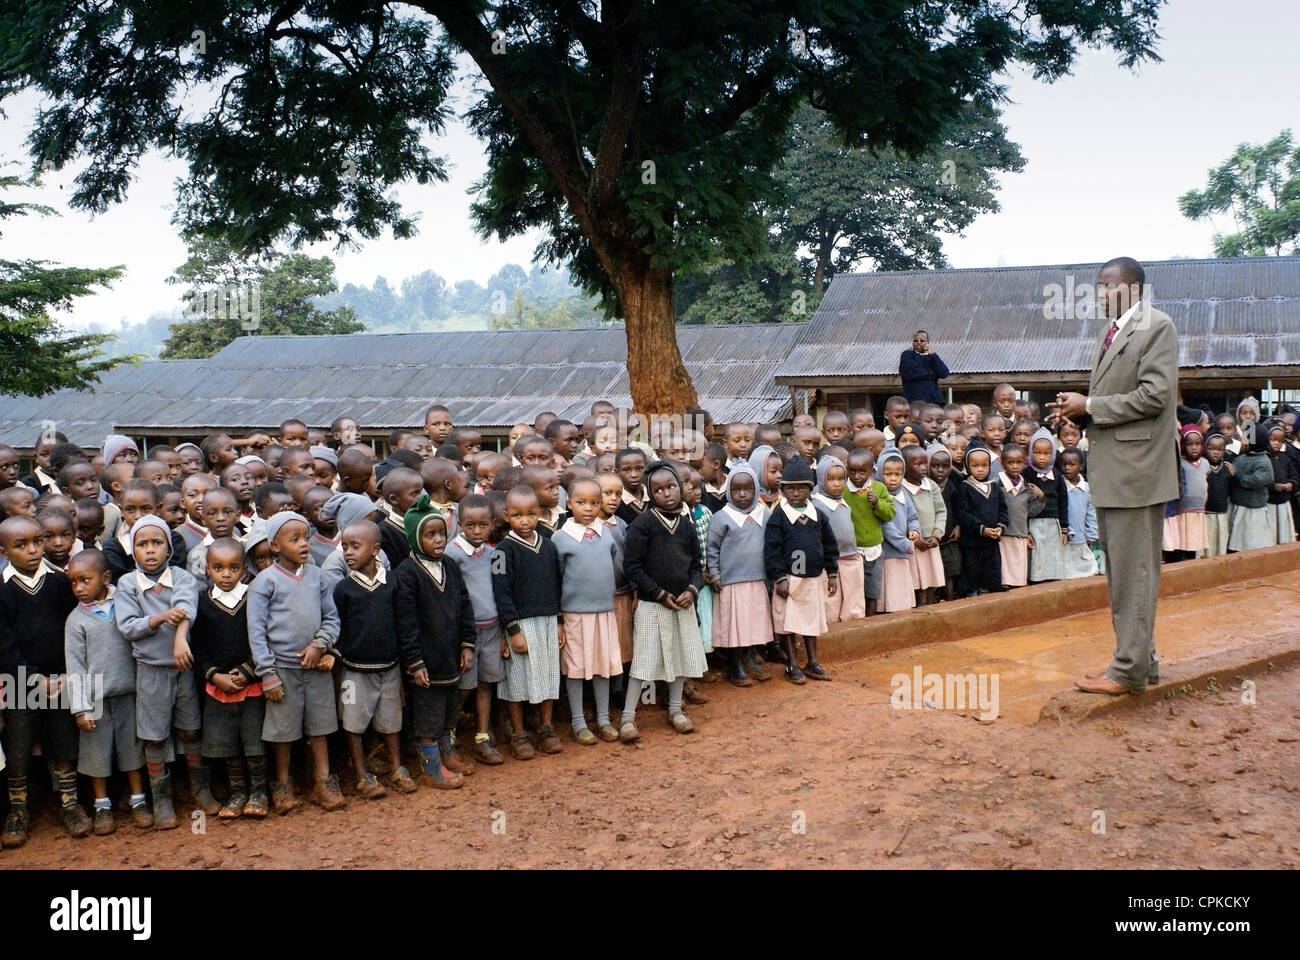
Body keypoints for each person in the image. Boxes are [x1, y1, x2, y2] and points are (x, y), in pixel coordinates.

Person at [1050, 256, 1179, 695]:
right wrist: (1079, 413)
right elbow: (1119, 398)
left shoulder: (1155, 326)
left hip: (1136, 473)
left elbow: (1155, 396)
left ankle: (1127, 671)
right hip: (1117, 471)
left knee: (1133, 575)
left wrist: (1092, 406)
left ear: (1133, 287)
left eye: (1106, 285)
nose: (1098, 294)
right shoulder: (1113, 333)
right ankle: (1143, 663)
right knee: (1127, 573)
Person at [247, 511, 345, 814]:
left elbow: (331, 618)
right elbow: (257, 633)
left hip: (314, 668)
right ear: (275, 546)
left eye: (306, 538)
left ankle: (323, 781)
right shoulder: (264, 583)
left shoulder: (318, 577)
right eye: (295, 540)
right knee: (283, 731)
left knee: (320, 727)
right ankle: (282, 784)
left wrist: (321, 644)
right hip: (282, 670)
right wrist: (268, 675)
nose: (304, 544)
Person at [113, 514, 204, 829]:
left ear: (168, 548)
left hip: (183, 668)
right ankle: (161, 798)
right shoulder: (127, 584)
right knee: (153, 737)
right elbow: (128, 627)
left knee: (190, 729)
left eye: (157, 543)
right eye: (142, 544)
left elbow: (187, 606)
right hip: (150, 670)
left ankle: (199, 788)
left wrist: (180, 636)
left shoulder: (181, 577)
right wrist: (160, 618)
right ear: (133, 550)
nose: (150, 550)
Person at [0, 516, 85, 846]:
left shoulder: (60, 582)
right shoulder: (4, 590)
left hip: (62, 677)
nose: (33, 550)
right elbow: (4, 645)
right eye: (21, 546)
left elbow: (72, 630)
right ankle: (18, 809)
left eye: (38, 541)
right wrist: (33, 679)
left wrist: (65, 673)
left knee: (63, 739)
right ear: (4, 551)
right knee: (19, 744)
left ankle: (70, 802)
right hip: (21, 681)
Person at [63, 549, 152, 834]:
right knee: (97, 755)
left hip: (130, 693)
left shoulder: (126, 605)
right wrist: (81, 708)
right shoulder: (76, 621)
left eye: (85, 580)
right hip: (96, 700)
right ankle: (102, 806)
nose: (78, 588)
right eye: (73, 582)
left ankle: (138, 800)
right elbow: (74, 667)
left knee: (132, 750)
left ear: (105, 578)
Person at [620, 461, 707, 739]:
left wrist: (692, 590)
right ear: (650, 494)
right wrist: (659, 594)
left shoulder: (686, 525)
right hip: (652, 604)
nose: (666, 493)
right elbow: (632, 567)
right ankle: (628, 718)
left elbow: (697, 565)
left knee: (680, 657)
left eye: (671, 487)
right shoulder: (642, 525)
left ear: (680, 488)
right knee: (643, 662)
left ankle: (675, 710)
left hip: (682, 604)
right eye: (658, 490)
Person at [331, 521, 418, 798]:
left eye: (355, 547)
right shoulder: (343, 588)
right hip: (354, 671)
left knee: (391, 721)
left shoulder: (392, 584)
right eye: (344, 547)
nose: (347, 552)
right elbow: (339, 628)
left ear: (376, 550)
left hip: (390, 668)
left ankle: (396, 768)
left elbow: (404, 623)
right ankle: (361, 775)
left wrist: (408, 662)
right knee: (353, 723)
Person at [189, 538, 270, 819]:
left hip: (253, 683)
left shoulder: (254, 598)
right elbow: (197, 647)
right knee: (228, 745)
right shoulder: (202, 603)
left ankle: (259, 792)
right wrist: (214, 675)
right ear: (207, 569)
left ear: (244, 569)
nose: (226, 574)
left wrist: (249, 671)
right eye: (218, 568)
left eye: (233, 568)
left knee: (253, 741)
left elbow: (266, 638)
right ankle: (238, 791)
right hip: (219, 686)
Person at [491, 485, 564, 759]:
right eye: (518, 515)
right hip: (520, 626)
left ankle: (546, 728)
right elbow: (501, 592)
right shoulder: (502, 550)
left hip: (547, 621)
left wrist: (559, 621)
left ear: (539, 514)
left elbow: (557, 585)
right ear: (507, 516)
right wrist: (513, 630)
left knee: (548, 676)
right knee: (516, 681)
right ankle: (519, 733)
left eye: (531, 514)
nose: (525, 521)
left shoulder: (548, 545)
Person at [551, 478, 623, 745]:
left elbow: (612, 559)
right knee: (577, 668)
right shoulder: (561, 538)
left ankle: (603, 718)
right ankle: (578, 721)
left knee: (603, 665)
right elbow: (556, 577)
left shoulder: (606, 532)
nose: (589, 508)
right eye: (581, 503)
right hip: (574, 614)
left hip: (604, 612)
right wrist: (559, 616)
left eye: (595, 503)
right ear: (569, 504)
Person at [446, 495, 506, 765]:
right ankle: (446, 737)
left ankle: (483, 737)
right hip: (466, 634)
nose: (477, 531)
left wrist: (505, 628)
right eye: (470, 525)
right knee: (463, 687)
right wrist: (461, 639)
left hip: (492, 629)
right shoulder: (452, 554)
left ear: (493, 524)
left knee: (485, 684)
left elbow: (501, 590)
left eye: (483, 525)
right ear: (460, 524)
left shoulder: (495, 554)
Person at [706, 464, 774, 686]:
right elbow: (712, 549)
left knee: (752, 624)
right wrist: (715, 574)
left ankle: (750, 659)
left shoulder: (763, 513)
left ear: (756, 489)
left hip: (757, 579)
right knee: (734, 626)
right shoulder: (722, 517)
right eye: (736, 490)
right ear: (729, 491)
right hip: (731, 582)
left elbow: (772, 544)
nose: (742, 494)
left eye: (747, 489)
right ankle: (735, 665)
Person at [843, 448, 895, 616]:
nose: (856, 476)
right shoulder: (843, 491)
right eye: (852, 471)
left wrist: (878, 504)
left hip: (874, 549)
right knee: (855, 589)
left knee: (872, 590)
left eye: (862, 472)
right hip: (852, 550)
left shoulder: (879, 488)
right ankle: (857, 620)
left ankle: (871, 619)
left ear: (872, 471)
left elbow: (890, 514)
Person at [813, 456, 865, 623]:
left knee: (853, 595)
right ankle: (832, 629)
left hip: (850, 557)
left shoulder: (843, 502)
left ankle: (854, 625)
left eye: (841, 479)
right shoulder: (817, 505)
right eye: (831, 479)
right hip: (830, 562)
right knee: (831, 598)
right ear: (821, 480)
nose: (837, 484)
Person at [955, 447, 1007, 596]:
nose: (980, 470)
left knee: (991, 568)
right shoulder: (964, 488)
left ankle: (988, 590)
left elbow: (1003, 510)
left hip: (992, 539)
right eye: (975, 466)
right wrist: (981, 529)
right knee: (972, 568)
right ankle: (970, 593)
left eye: (984, 465)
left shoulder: (995, 487)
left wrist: (1000, 527)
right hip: (972, 541)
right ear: (967, 466)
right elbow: (963, 514)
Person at [901, 446, 945, 606]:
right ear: (905, 466)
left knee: (931, 577)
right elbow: (903, 517)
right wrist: (915, 538)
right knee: (916, 579)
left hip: (930, 542)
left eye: (925, 463)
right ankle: (919, 608)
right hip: (914, 543)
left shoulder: (931, 485)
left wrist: (936, 535)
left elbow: (941, 511)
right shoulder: (902, 489)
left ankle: (930, 606)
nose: (923, 468)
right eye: (917, 464)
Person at [1025, 428, 1069, 582]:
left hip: (1053, 523)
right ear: (1031, 452)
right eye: (1037, 453)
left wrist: (1064, 529)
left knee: (1053, 556)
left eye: (1047, 453)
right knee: (1037, 557)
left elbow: (1063, 502)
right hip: (1034, 523)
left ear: (1053, 454)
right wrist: (1025, 532)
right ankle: (1036, 584)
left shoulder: (1057, 476)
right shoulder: (1027, 473)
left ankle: (1052, 587)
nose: (1042, 457)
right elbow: (1021, 506)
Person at [1163, 426, 1209, 562]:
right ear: (1183, 445)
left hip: (1198, 512)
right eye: (1189, 444)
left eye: (1197, 444)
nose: (1194, 448)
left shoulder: (1205, 464)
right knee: (1180, 544)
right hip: (1182, 512)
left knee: (1193, 544)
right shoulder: (1180, 463)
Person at [996, 443, 1040, 589]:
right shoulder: (997, 485)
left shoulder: (1027, 487)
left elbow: (1032, 511)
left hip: (1020, 533)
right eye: (1010, 462)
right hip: (1003, 533)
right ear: (1002, 464)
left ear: (1024, 463)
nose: (1015, 466)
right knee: (1004, 566)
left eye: (1019, 462)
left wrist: (1040, 497)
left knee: (1019, 568)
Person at [1227, 421, 1273, 553]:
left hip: (1254, 510)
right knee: (1237, 540)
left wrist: (1236, 475)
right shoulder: (1241, 458)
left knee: (1252, 541)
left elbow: (1252, 481)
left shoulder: (1263, 462)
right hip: (1239, 506)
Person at [927, 448, 961, 600]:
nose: (940, 470)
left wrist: (958, 525)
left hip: (949, 538)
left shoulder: (953, 486)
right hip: (930, 539)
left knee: (950, 571)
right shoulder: (925, 487)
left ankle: (949, 599)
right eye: (935, 466)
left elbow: (959, 508)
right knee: (931, 572)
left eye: (945, 466)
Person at [1059, 449, 1099, 578]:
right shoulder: (1059, 486)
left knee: (1088, 568)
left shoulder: (1087, 488)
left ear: (1081, 466)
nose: (1067, 468)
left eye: (1071, 465)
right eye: (1064, 464)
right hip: (1064, 539)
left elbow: (1091, 513)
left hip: (1081, 538)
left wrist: (1091, 535)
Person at [1266, 422, 1298, 545]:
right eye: (1272, 440)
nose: (1276, 443)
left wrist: (1291, 484)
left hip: (1283, 504)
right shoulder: (1263, 458)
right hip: (1268, 503)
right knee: (1270, 536)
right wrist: (1273, 486)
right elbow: (1263, 480)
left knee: (1283, 535)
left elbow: (1294, 475)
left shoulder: (1285, 458)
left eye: (1280, 441)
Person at [1202, 433, 1232, 557]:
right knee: (1206, 544)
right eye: (1211, 449)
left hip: (1221, 514)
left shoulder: (1226, 469)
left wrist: (1234, 476)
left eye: (1219, 449)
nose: (1215, 453)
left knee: (1220, 543)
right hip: (1205, 514)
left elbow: (1231, 490)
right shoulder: (1203, 467)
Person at [899, 331, 950, 405]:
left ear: (927, 342)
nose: (918, 342)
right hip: (915, 400)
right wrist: (934, 374)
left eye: (922, 340)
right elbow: (915, 374)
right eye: (915, 340)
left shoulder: (932, 357)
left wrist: (933, 355)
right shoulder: (907, 355)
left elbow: (944, 373)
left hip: (934, 401)